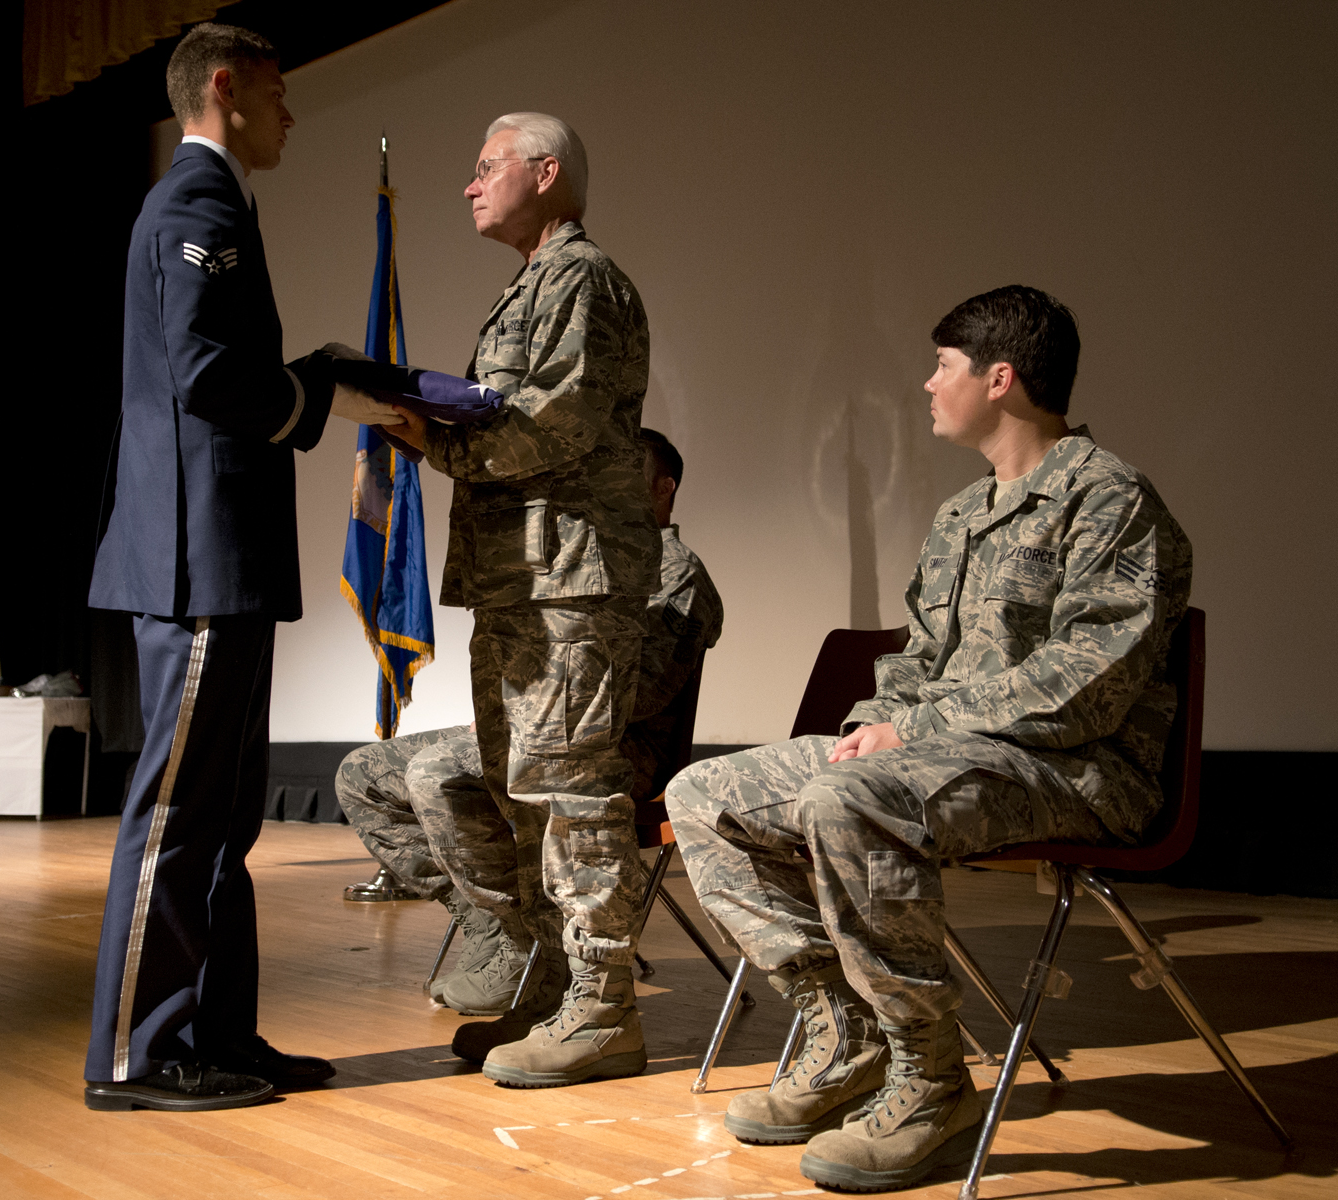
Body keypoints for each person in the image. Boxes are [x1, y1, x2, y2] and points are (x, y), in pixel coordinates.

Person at [666, 286, 1192, 1191]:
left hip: (1078, 770)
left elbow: (1088, 686)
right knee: (703, 796)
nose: (926, 383)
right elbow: (916, 660)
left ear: (1001, 378)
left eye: (943, 366)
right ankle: (844, 1032)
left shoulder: (1112, 500)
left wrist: (911, 728)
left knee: (847, 797)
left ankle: (930, 1079)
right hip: (944, 755)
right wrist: (879, 721)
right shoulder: (961, 517)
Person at [81, 23, 401, 1115]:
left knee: (221, 820)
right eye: (277, 92)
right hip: (196, 560)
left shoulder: (215, 207)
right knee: (177, 815)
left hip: (226, 558)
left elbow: (228, 370)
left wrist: (322, 382)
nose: (290, 115)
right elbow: (212, 374)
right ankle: (137, 1054)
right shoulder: (195, 204)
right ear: (224, 88)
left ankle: (215, 1032)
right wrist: (329, 397)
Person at [388, 113, 663, 1088]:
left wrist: (431, 434)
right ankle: (554, 991)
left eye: (485, 168)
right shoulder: (528, 289)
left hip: (570, 580)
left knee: (574, 790)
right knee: (523, 791)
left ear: (545, 174)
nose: (469, 185)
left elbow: (552, 424)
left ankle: (605, 1007)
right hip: (520, 580)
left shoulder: (582, 281)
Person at [336, 429, 723, 1019]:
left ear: (662, 488)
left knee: (438, 772)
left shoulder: (675, 573)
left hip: (611, 749)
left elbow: (637, 697)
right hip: (532, 726)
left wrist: (528, 715)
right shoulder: (583, 551)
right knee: (362, 772)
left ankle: (529, 943)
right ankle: (492, 922)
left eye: (622, 471)